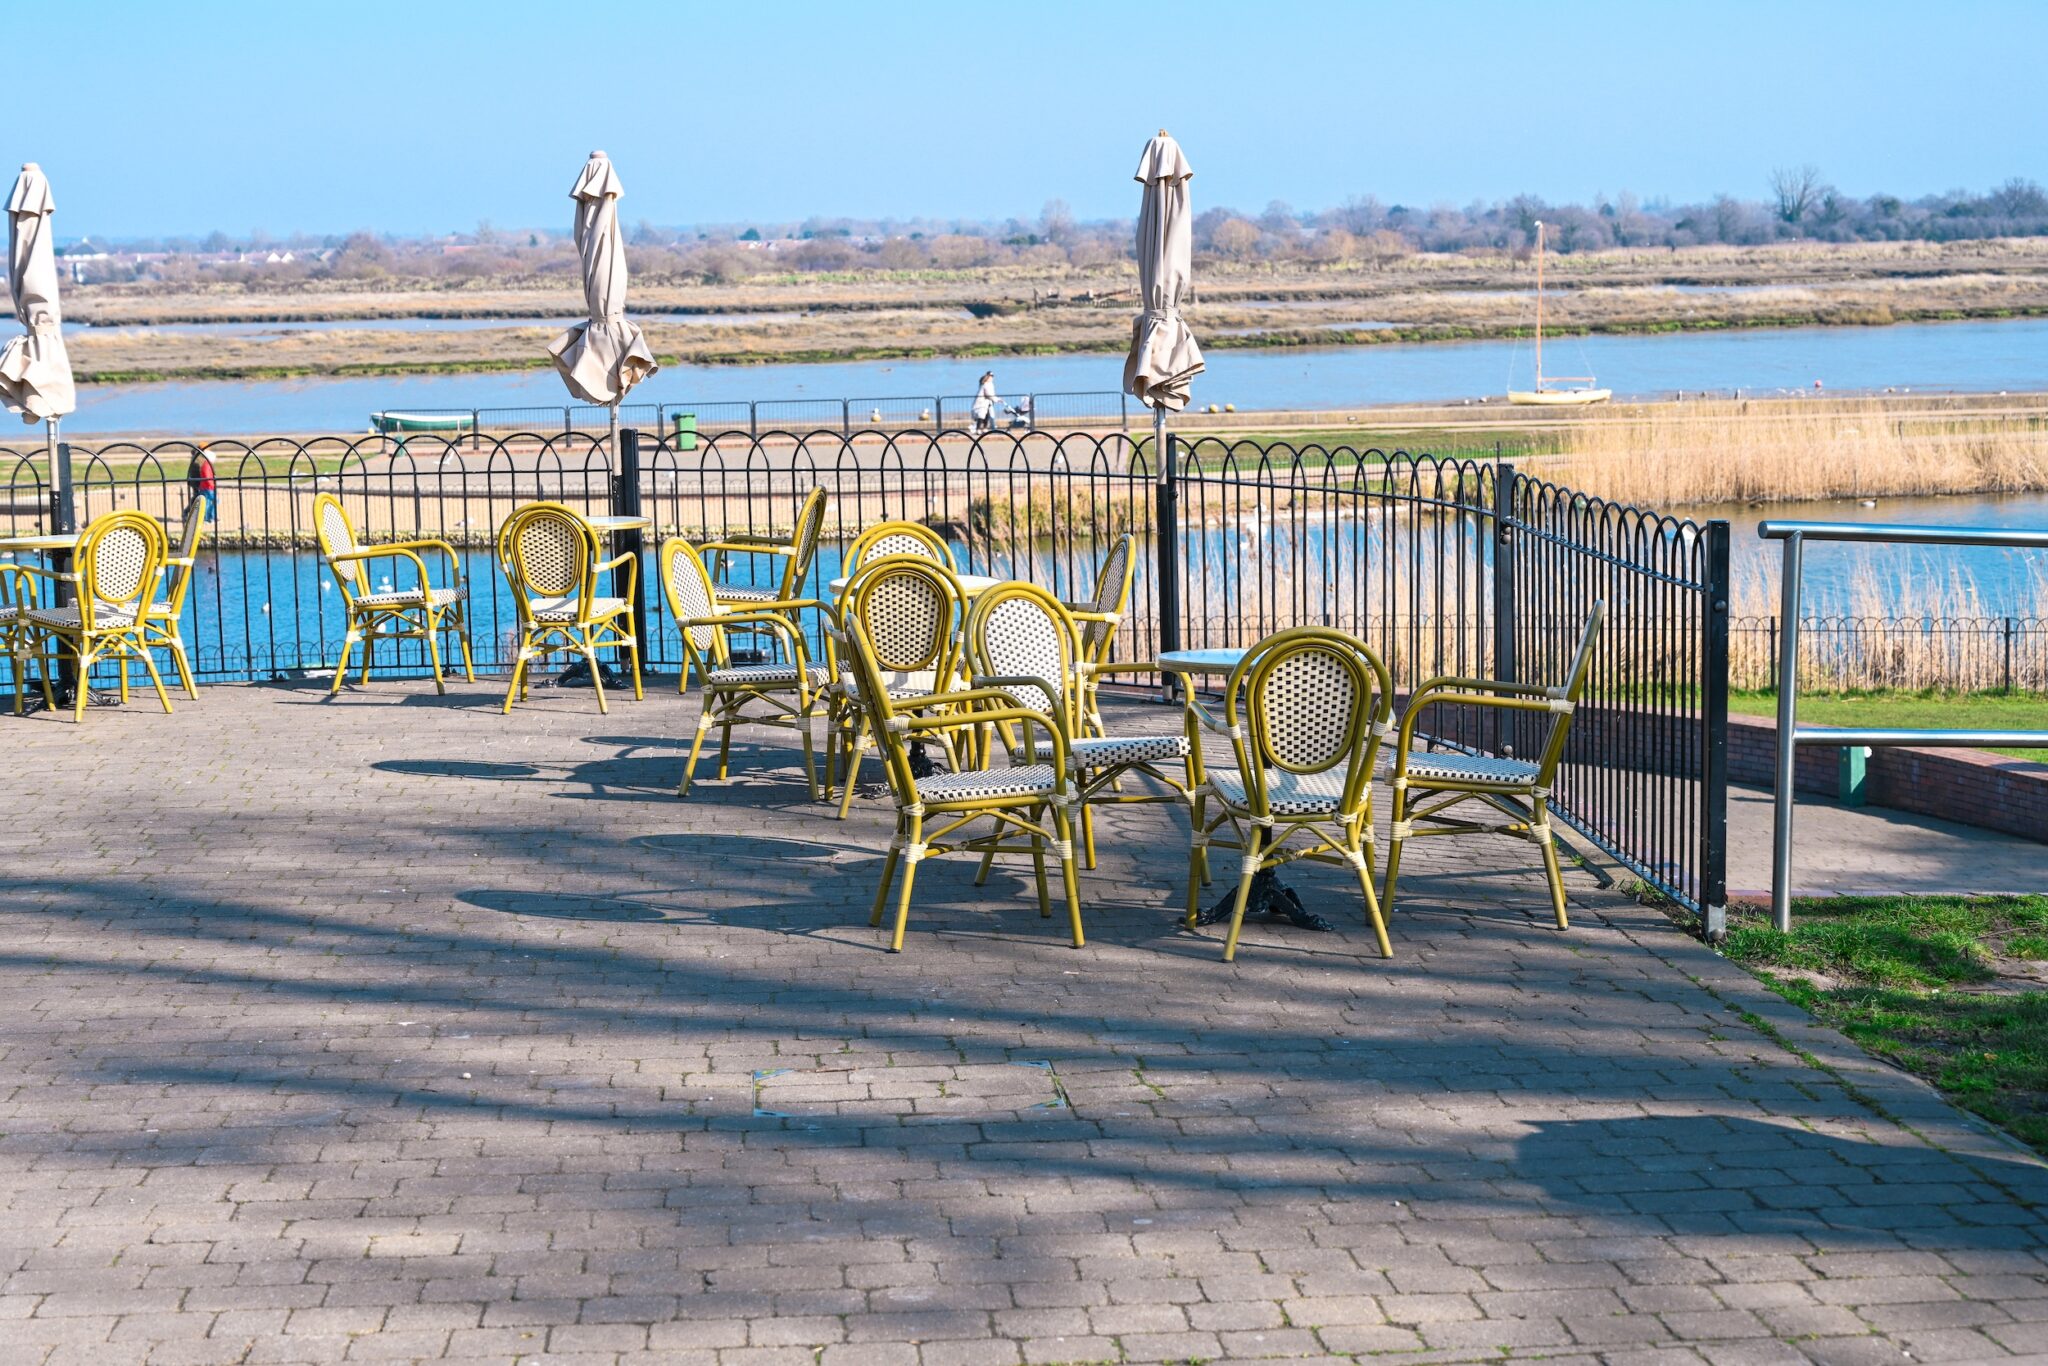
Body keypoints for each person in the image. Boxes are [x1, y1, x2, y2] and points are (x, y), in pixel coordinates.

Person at [186, 445, 216, 522]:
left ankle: (207, 516)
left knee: (199, 499)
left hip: (200, 483)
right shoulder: (198, 459)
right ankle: (198, 515)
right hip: (199, 483)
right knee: (200, 500)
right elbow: (203, 473)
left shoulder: (199, 458)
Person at [970, 370, 999, 435]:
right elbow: (988, 394)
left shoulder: (990, 384)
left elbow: (991, 394)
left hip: (987, 403)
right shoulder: (985, 384)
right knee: (981, 416)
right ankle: (978, 429)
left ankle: (984, 428)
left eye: (992, 376)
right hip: (981, 403)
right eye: (990, 376)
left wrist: (996, 399)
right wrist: (996, 399)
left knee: (987, 415)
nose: (991, 377)